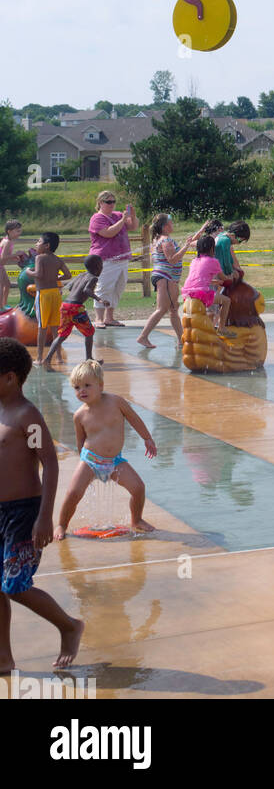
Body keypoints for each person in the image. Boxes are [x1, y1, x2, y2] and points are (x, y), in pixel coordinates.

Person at [0, 338, 85, 672]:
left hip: (24, 513)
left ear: (10, 377)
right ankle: (4, 659)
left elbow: (50, 463)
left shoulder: (27, 415)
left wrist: (44, 517)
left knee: (15, 586)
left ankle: (69, 625)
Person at [54, 360, 157, 539]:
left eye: (87, 385)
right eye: (77, 387)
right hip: (90, 460)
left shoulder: (116, 402)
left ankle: (136, 520)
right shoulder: (79, 415)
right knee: (73, 493)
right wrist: (83, 465)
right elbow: (81, 440)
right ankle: (62, 525)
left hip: (115, 461)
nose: (82, 391)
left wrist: (147, 438)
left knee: (139, 488)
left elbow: (134, 419)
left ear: (100, 385)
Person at [136, 214, 199, 349]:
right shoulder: (166, 240)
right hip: (166, 277)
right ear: (165, 227)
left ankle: (181, 339)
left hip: (165, 277)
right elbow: (172, 259)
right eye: (171, 223)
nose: (173, 225)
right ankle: (143, 336)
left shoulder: (158, 239)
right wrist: (187, 246)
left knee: (173, 309)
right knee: (162, 309)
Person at [42, 255, 103, 370]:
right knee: (89, 332)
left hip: (65, 306)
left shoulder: (81, 275)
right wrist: (99, 299)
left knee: (62, 335)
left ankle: (47, 359)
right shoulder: (93, 278)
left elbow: (70, 287)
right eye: (102, 266)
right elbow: (87, 290)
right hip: (76, 308)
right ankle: (89, 359)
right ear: (97, 267)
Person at [88, 191, 138, 328]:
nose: (112, 204)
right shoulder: (97, 218)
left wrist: (132, 215)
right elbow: (108, 233)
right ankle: (98, 318)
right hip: (106, 259)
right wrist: (122, 220)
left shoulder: (117, 215)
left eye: (113, 201)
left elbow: (133, 227)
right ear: (100, 203)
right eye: (108, 202)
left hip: (122, 258)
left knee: (118, 288)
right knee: (104, 288)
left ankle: (109, 318)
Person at [25, 232, 71, 365]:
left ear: (46, 245)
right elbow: (67, 274)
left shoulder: (40, 258)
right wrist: (56, 278)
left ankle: (39, 358)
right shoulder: (57, 259)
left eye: (38, 242)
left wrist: (28, 271)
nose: (36, 244)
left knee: (42, 327)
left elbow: (38, 274)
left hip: (44, 295)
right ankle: (59, 358)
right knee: (55, 327)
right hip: (56, 294)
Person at [182, 234, 233, 333]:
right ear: (212, 248)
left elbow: (198, 280)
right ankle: (222, 328)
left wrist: (215, 282)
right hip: (201, 294)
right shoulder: (213, 261)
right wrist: (230, 278)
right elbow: (224, 277)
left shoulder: (194, 261)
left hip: (187, 293)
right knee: (227, 301)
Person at [215, 221, 249, 288]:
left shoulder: (221, 235)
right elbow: (226, 261)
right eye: (240, 240)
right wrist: (231, 273)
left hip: (216, 270)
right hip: (217, 273)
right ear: (233, 235)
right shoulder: (226, 240)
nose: (238, 243)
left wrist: (234, 268)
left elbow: (230, 258)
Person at [0, 220, 24, 311]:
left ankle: (4, 304)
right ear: (9, 231)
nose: (19, 233)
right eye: (17, 231)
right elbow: (3, 257)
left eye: (20, 231)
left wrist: (13, 257)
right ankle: (1, 307)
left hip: (1, 266)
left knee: (7, 284)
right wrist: (16, 254)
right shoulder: (8, 242)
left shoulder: (7, 240)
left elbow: (3, 255)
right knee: (1, 286)